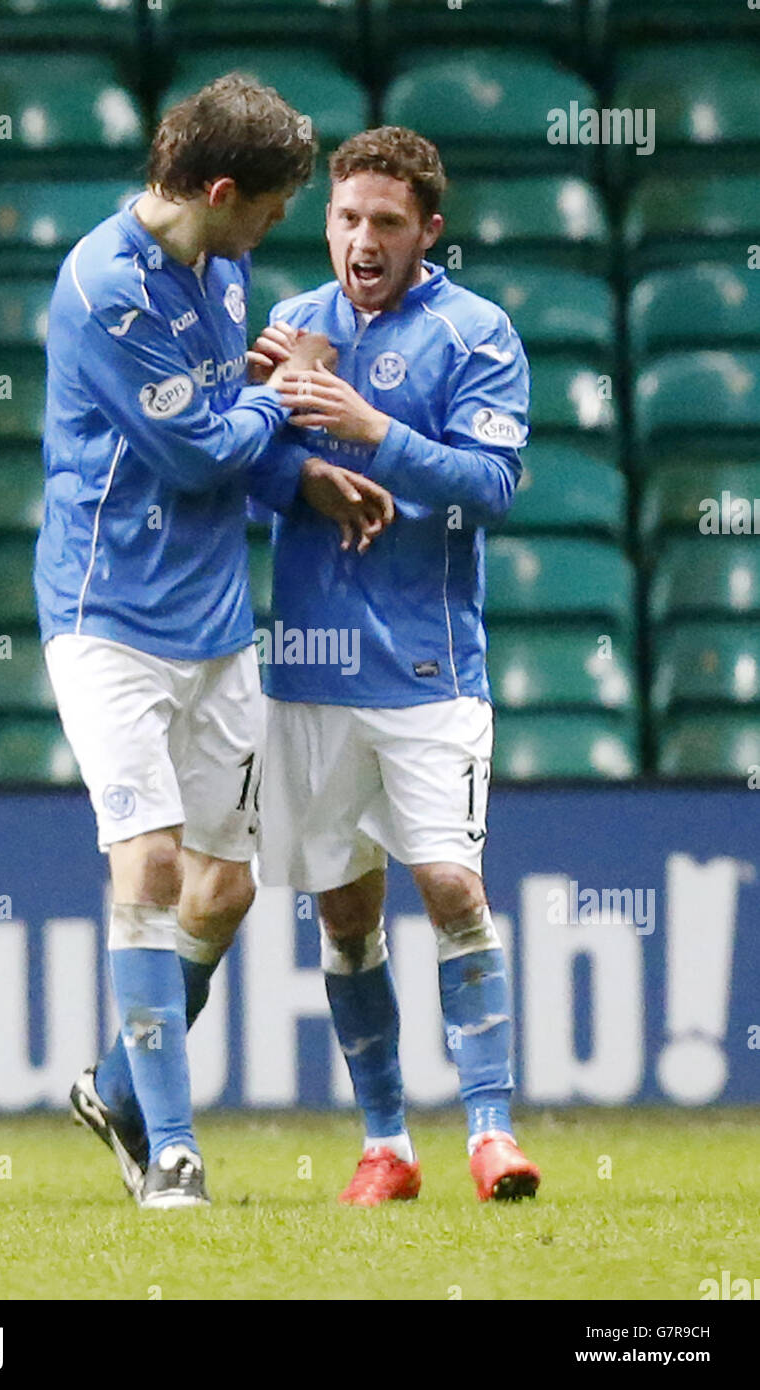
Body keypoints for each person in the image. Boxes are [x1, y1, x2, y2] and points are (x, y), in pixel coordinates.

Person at [34, 76, 394, 1211]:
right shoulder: (103, 289)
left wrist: (298, 476)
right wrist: (283, 403)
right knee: (144, 861)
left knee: (227, 887)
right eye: (277, 206)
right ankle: (173, 1153)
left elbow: (227, 438)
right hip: (108, 621)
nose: (281, 230)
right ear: (222, 189)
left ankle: (119, 1091)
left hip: (214, 620)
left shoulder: (222, 267)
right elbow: (195, 451)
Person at [251, 125, 541, 1205]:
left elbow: (495, 487)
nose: (360, 240)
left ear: (428, 228)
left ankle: (489, 1131)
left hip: (430, 670)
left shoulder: (477, 334)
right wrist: (292, 459)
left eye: (384, 221)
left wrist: (370, 431)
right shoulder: (290, 329)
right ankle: (385, 1145)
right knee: (341, 912)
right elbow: (243, 479)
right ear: (324, 221)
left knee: (453, 883)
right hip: (311, 677)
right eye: (344, 218)